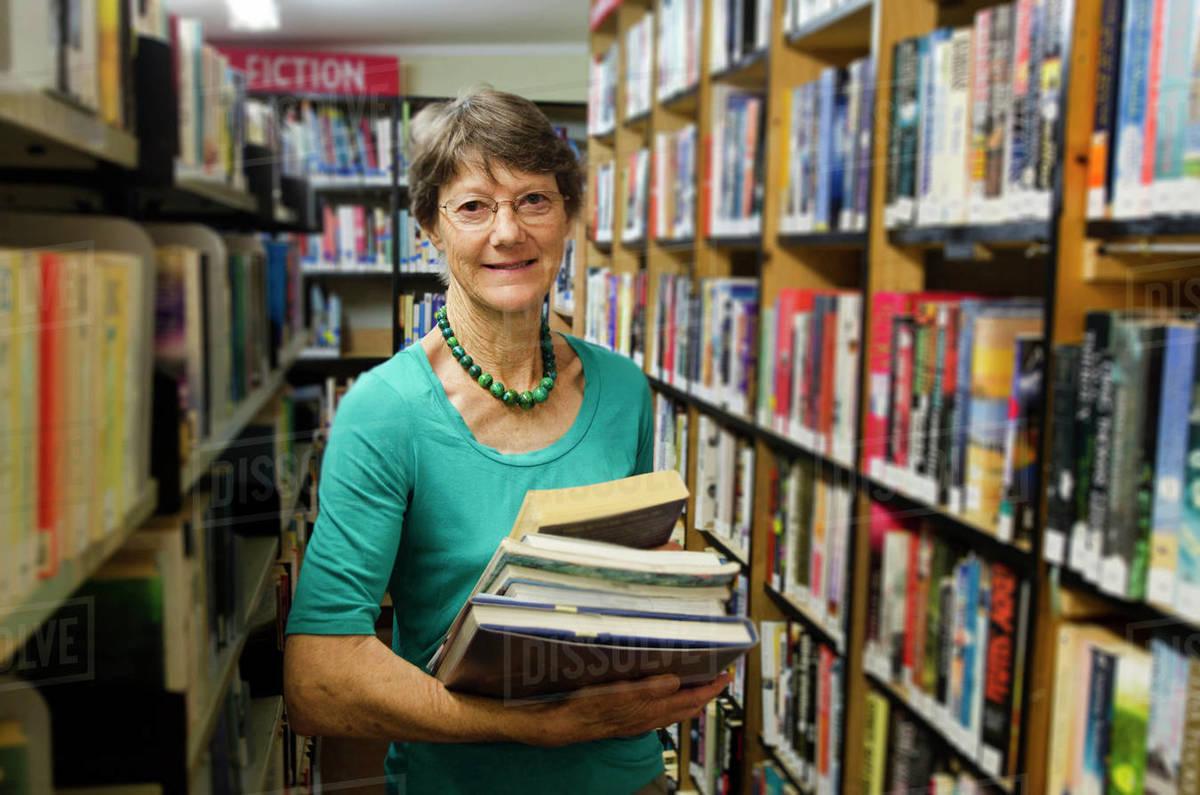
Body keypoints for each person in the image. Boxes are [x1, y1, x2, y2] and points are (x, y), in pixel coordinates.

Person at [283, 88, 730, 795]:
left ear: (569, 216)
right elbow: (318, 677)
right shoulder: (385, 410)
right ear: (429, 227)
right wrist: (529, 723)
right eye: (473, 206)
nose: (508, 232)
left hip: (632, 778)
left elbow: (616, 599)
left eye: (534, 201)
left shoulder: (623, 389)